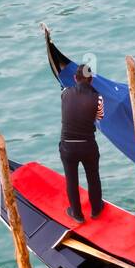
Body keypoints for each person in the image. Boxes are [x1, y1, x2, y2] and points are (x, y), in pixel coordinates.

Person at [60, 62, 105, 223]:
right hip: (87, 144)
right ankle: (96, 209)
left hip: (67, 145)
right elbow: (100, 117)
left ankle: (77, 214)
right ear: (91, 79)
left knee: (71, 179)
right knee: (93, 177)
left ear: (74, 78)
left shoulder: (65, 93)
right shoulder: (98, 97)